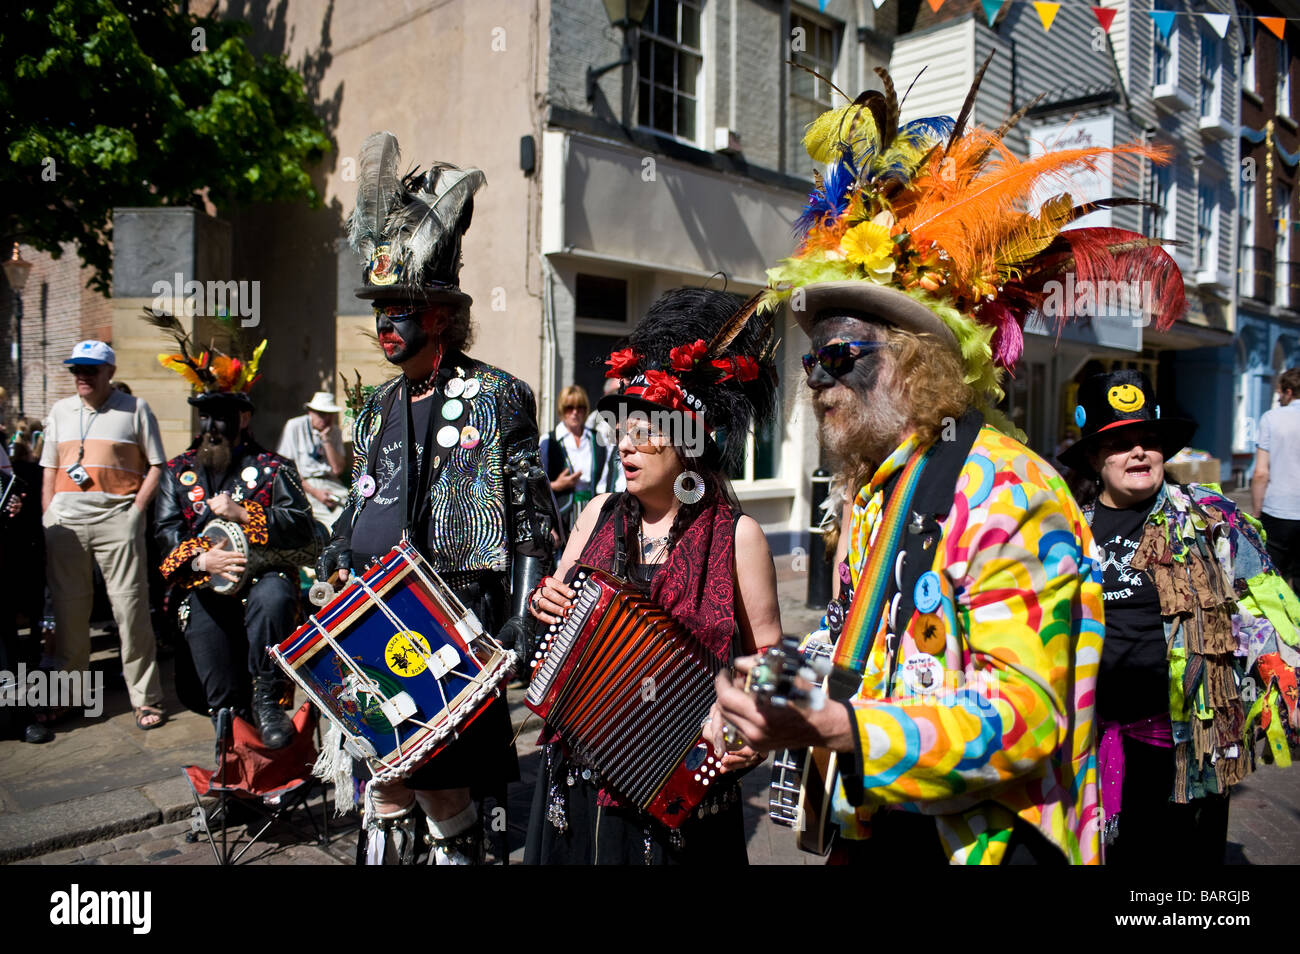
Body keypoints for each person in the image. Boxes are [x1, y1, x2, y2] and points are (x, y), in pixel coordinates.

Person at [713, 64, 1192, 864]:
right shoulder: (875, 491)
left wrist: (846, 727)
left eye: (842, 356)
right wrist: (775, 696)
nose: (819, 380)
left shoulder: (1008, 488)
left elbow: (1030, 715)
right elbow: (870, 648)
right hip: (881, 823)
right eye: (812, 362)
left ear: (915, 361)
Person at [316, 132, 556, 865]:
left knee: (444, 792)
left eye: (402, 309)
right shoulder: (375, 408)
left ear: (442, 317)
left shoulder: (497, 396)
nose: (386, 324)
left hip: (453, 620)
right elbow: (361, 502)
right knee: (383, 784)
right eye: (381, 310)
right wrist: (332, 550)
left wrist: (518, 622)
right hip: (367, 622)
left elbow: (531, 522)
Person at [525, 287, 783, 864]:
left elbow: (767, 656)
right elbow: (550, 618)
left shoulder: (736, 536)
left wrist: (747, 732)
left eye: (646, 431)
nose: (626, 445)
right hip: (577, 783)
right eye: (622, 430)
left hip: (678, 793)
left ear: (691, 441)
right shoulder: (596, 514)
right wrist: (546, 602)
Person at [1058, 370, 1300, 864]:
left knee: (1187, 862)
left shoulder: (1210, 516)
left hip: (1191, 738)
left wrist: (1285, 679)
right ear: (1093, 458)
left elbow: (1264, 605)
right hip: (1098, 734)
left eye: (1149, 440)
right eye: (1120, 443)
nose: (1139, 452)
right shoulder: (1068, 529)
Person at [151, 329, 313, 750]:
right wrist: (204, 562)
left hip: (264, 581)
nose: (210, 427)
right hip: (204, 585)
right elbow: (166, 537)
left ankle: (266, 697)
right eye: (203, 416)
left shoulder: (274, 468)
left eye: (219, 415)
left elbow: (305, 530)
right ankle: (231, 743)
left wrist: (246, 514)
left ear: (242, 417)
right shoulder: (177, 472)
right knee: (206, 635)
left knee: (275, 594)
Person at [40, 340, 167, 731]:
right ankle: (68, 696)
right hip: (66, 522)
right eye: (76, 369)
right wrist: (48, 513)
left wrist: (134, 514)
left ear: (109, 371)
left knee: (129, 611)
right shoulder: (60, 411)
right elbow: (49, 468)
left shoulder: (135, 408)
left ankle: (146, 700)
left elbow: (158, 465)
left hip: (118, 518)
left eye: (90, 369)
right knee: (68, 612)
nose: (82, 375)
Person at [541, 384, 614, 532]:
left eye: (580, 407)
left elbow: (606, 480)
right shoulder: (549, 440)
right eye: (569, 407)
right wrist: (556, 485)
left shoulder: (597, 438)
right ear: (562, 409)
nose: (575, 413)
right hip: (561, 515)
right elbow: (536, 487)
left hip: (593, 511)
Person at [1252, 367, 1300, 587]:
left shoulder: (1272, 418)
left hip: (1277, 510)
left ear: (1289, 391)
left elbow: (1261, 473)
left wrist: (1256, 512)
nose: (1279, 397)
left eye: (1280, 393)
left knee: (1273, 577)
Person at [278, 391, 349, 528]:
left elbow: (337, 469)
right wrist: (315, 492)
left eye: (330, 414)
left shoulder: (334, 431)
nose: (325, 419)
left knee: (352, 513)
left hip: (332, 483)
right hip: (306, 484)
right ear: (310, 412)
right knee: (333, 523)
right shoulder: (295, 426)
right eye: (321, 413)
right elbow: (286, 468)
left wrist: (326, 440)